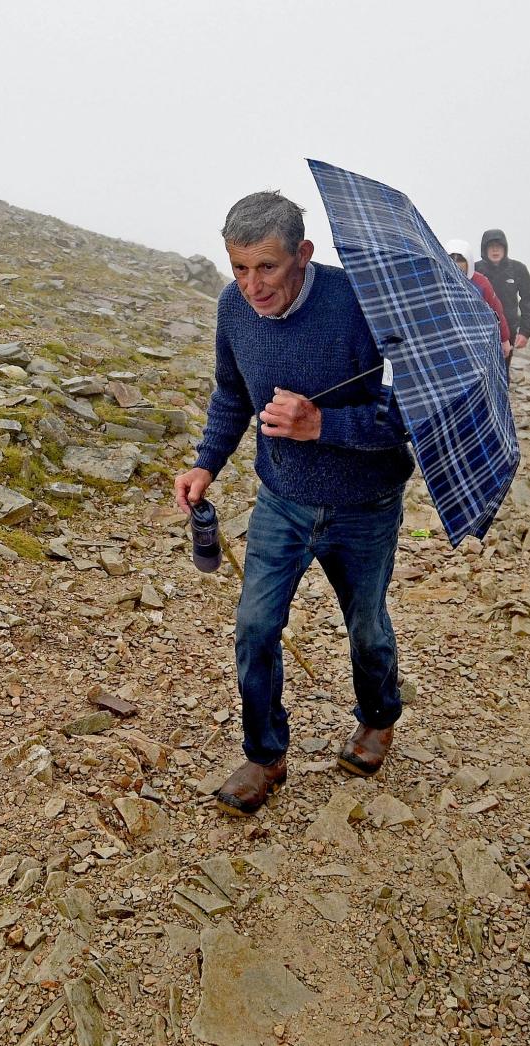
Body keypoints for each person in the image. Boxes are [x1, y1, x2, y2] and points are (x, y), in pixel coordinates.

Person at [174, 191, 413, 816]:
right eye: (239, 267)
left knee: (366, 625)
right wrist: (205, 463)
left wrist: (322, 425)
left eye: (268, 267)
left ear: (303, 254)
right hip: (282, 500)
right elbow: (232, 394)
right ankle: (265, 756)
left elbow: (410, 414)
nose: (252, 286)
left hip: (365, 503)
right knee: (255, 626)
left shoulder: (363, 304)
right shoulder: (234, 308)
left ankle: (379, 716)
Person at [446, 240, 514, 357]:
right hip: (449, 338)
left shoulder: (481, 283)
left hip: (477, 339)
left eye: (461, 259)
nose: (456, 263)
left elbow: (496, 311)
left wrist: (504, 339)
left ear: (468, 261)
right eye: (452, 259)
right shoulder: (437, 282)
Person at [475, 230, 530, 356]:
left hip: (509, 331)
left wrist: (525, 332)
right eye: (491, 246)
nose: (495, 250)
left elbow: (528, 300)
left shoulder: (518, 269)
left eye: (499, 246)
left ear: (505, 248)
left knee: (503, 367)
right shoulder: (474, 269)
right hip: (480, 330)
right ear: (484, 249)